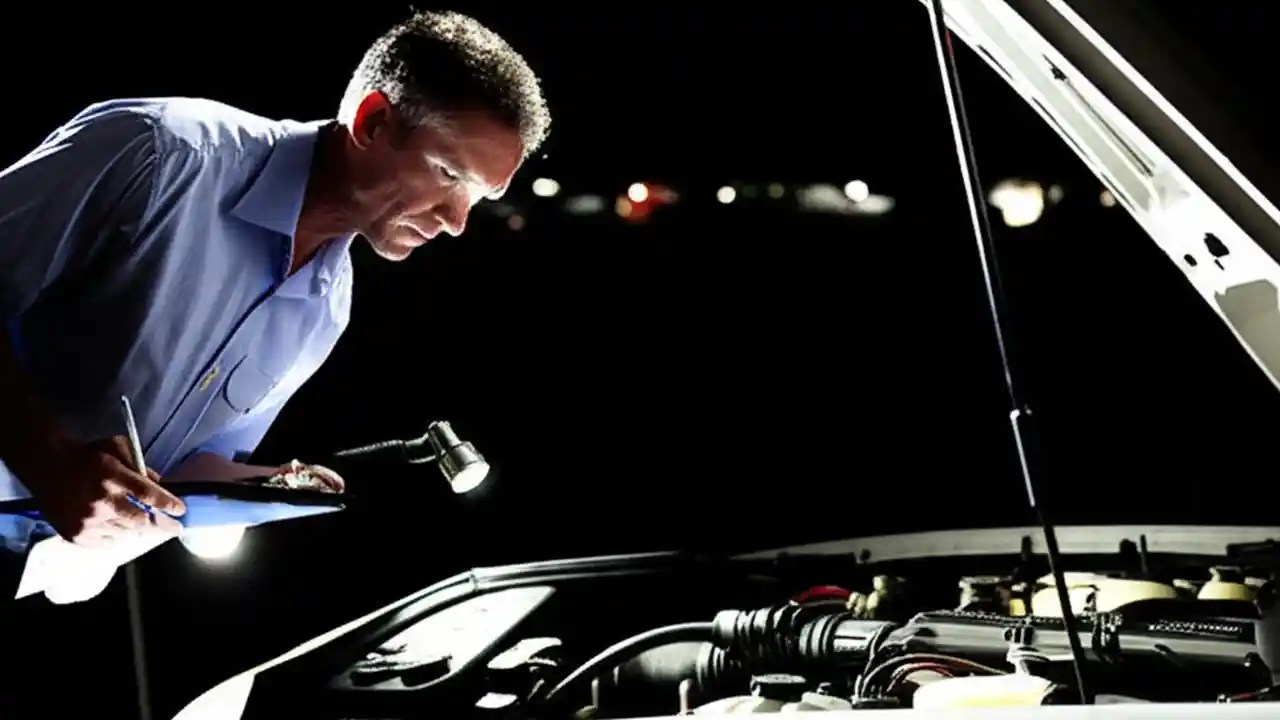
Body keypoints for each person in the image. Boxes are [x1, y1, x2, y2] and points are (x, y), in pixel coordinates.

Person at [0, 9, 551, 602]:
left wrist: (270, 487)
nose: (456, 221)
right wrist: (48, 457)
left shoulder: (327, 307)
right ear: (373, 121)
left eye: (479, 196)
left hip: (41, 592)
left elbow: (183, 470)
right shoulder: (159, 152)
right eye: (448, 174)